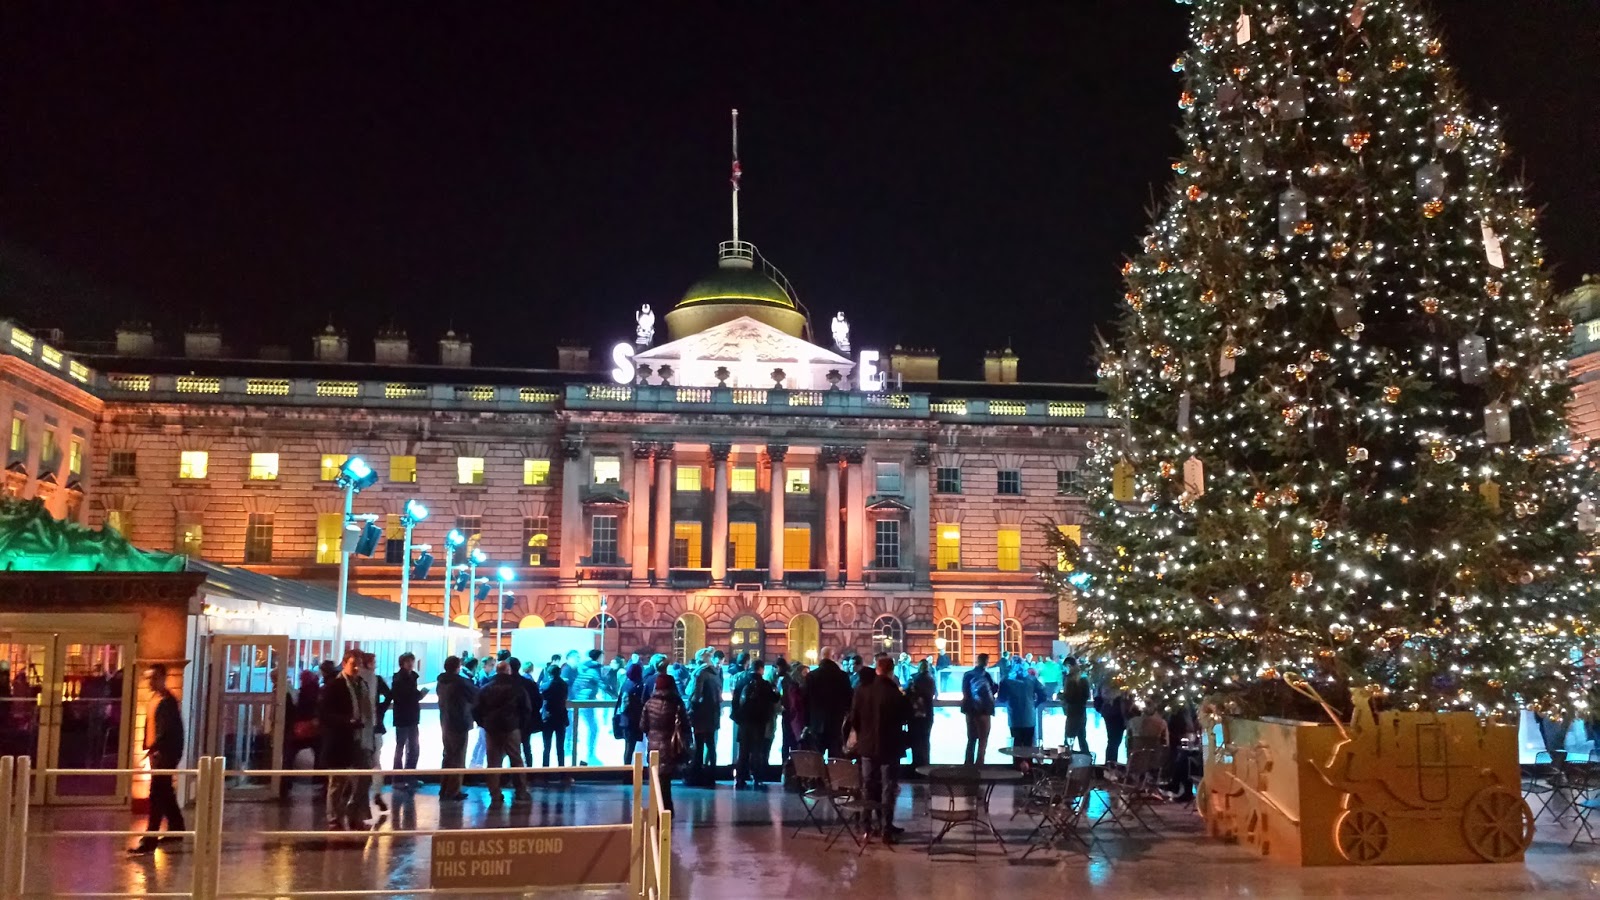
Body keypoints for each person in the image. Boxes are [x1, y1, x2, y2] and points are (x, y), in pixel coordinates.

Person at [849, 656, 909, 841]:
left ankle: (866, 825)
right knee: (888, 787)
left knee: (868, 785)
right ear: (891, 671)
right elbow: (905, 718)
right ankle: (886, 827)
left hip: (867, 747)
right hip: (889, 747)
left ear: (877, 669)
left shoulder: (862, 690)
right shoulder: (895, 694)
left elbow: (854, 719)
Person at [129, 664, 184, 854]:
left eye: (152, 677)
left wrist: (158, 749)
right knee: (165, 792)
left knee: (157, 794)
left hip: (163, 754)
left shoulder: (167, 701)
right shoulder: (156, 698)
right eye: (147, 677)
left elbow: (169, 731)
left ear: (162, 677)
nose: (149, 681)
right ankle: (177, 828)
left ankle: (150, 840)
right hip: (157, 752)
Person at [319, 649, 368, 830]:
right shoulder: (334, 686)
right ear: (344, 663)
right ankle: (334, 818)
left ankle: (351, 813)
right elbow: (324, 714)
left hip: (358, 738)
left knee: (362, 779)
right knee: (338, 781)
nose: (356, 668)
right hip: (340, 740)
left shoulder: (361, 685)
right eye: (352, 664)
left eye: (358, 664)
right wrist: (347, 721)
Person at [475, 660, 533, 807]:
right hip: (511, 728)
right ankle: (520, 791)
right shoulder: (516, 688)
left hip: (492, 729)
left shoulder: (486, 687)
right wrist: (520, 725)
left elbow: (476, 709)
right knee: (516, 760)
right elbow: (526, 708)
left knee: (493, 762)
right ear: (509, 671)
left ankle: (494, 793)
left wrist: (484, 723)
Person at [642, 673, 691, 814]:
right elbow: (685, 725)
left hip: (654, 746)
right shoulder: (677, 703)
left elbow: (643, 725)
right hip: (671, 746)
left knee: (657, 778)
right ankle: (667, 808)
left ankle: (658, 808)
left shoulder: (649, 703)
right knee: (666, 779)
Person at [435, 656, 477, 802]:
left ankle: (444, 787)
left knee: (447, 755)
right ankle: (454, 790)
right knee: (458, 757)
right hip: (459, 723)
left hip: (445, 722)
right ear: (457, 666)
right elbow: (475, 695)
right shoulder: (460, 683)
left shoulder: (441, 682)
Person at [735, 664, 781, 787]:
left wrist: (738, 718)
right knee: (757, 750)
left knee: (743, 750)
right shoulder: (765, 684)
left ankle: (740, 778)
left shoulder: (742, 681)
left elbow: (735, 701)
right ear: (761, 670)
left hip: (744, 721)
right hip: (759, 722)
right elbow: (775, 699)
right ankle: (757, 777)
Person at [389, 653, 427, 788]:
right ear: (403, 663)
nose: (411, 664)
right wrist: (419, 695)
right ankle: (401, 778)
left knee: (409, 747)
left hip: (406, 717)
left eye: (412, 661)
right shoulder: (402, 679)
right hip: (406, 717)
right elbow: (406, 696)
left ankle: (404, 777)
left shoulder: (406, 677)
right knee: (407, 747)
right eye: (408, 661)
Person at [806, 648, 853, 758]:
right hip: (836, 722)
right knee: (835, 757)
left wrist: (807, 722)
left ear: (821, 657)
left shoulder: (812, 676)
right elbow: (849, 698)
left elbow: (806, 699)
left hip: (817, 722)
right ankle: (835, 775)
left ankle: (818, 775)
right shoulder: (842, 676)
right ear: (833, 657)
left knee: (817, 758)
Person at [687, 649, 723, 784]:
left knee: (699, 746)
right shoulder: (716, 674)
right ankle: (711, 774)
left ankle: (697, 775)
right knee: (711, 745)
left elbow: (696, 696)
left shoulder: (700, 674)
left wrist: (691, 709)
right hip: (713, 715)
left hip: (701, 716)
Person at [571, 648, 611, 767]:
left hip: (582, 701)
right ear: (598, 658)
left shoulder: (584, 669)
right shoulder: (594, 670)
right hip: (587, 702)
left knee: (588, 728)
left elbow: (576, 686)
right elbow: (603, 685)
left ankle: (585, 754)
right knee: (593, 729)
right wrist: (616, 696)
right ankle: (589, 754)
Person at [1000, 662, 1047, 761]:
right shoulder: (1032, 679)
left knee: (1016, 745)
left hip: (1014, 717)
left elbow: (1001, 698)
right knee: (1028, 746)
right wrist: (1034, 704)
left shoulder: (1007, 681)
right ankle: (1028, 768)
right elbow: (1043, 694)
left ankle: (1017, 768)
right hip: (1029, 716)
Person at [960, 654, 997, 765]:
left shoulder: (968, 675)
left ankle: (968, 765)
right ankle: (979, 765)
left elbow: (965, 691)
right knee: (983, 739)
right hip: (984, 710)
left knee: (971, 739)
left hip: (970, 710)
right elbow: (993, 688)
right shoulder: (986, 676)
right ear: (986, 662)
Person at [726, 651, 754, 786]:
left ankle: (740, 775)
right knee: (749, 748)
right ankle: (747, 774)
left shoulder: (735, 676)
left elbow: (734, 696)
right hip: (749, 717)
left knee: (742, 747)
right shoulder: (747, 678)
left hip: (740, 716)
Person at [512, 657, 543, 772]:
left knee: (511, 749)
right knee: (526, 747)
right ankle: (529, 772)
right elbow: (538, 701)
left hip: (510, 722)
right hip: (526, 720)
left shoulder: (507, 683)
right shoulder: (529, 683)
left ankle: (510, 774)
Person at [907, 659, 937, 768]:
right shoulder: (931, 679)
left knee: (916, 741)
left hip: (916, 714)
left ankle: (917, 765)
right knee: (925, 740)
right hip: (928, 714)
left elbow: (908, 693)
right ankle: (925, 763)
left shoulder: (915, 679)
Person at [541, 663, 571, 768]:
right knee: (560, 747)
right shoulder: (564, 685)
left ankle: (545, 771)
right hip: (561, 717)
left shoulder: (545, 685)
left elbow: (543, 699)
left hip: (548, 718)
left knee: (546, 747)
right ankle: (562, 771)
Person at [617, 661, 646, 765]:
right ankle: (630, 771)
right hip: (634, 720)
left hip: (625, 719)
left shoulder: (626, 683)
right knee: (631, 747)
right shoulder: (638, 686)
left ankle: (627, 769)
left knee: (629, 747)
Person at [1060, 663, 1091, 756]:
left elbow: (1069, 697)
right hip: (1081, 712)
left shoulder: (1071, 682)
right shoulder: (1084, 681)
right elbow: (1086, 696)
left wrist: (1060, 696)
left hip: (1072, 713)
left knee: (1068, 739)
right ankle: (1087, 760)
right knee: (1082, 738)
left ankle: (1065, 761)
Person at [1102, 687, 1133, 768]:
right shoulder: (1122, 693)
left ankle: (1110, 764)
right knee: (1114, 742)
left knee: (1113, 742)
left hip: (1110, 713)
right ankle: (1111, 764)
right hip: (1116, 716)